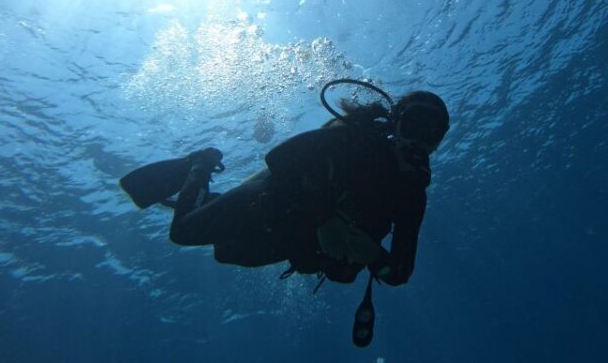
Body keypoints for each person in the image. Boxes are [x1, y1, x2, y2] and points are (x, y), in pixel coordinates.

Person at [120, 83, 450, 291]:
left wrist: (375, 257)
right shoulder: (355, 139)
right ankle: (200, 163)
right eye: (415, 126)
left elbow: (399, 272)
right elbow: (280, 156)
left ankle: (209, 199)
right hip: (268, 199)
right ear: (395, 123)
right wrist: (326, 220)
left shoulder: (411, 195)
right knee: (184, 232)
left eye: (432, 134)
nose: (420, 141)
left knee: (225, 252)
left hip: (294, 236)